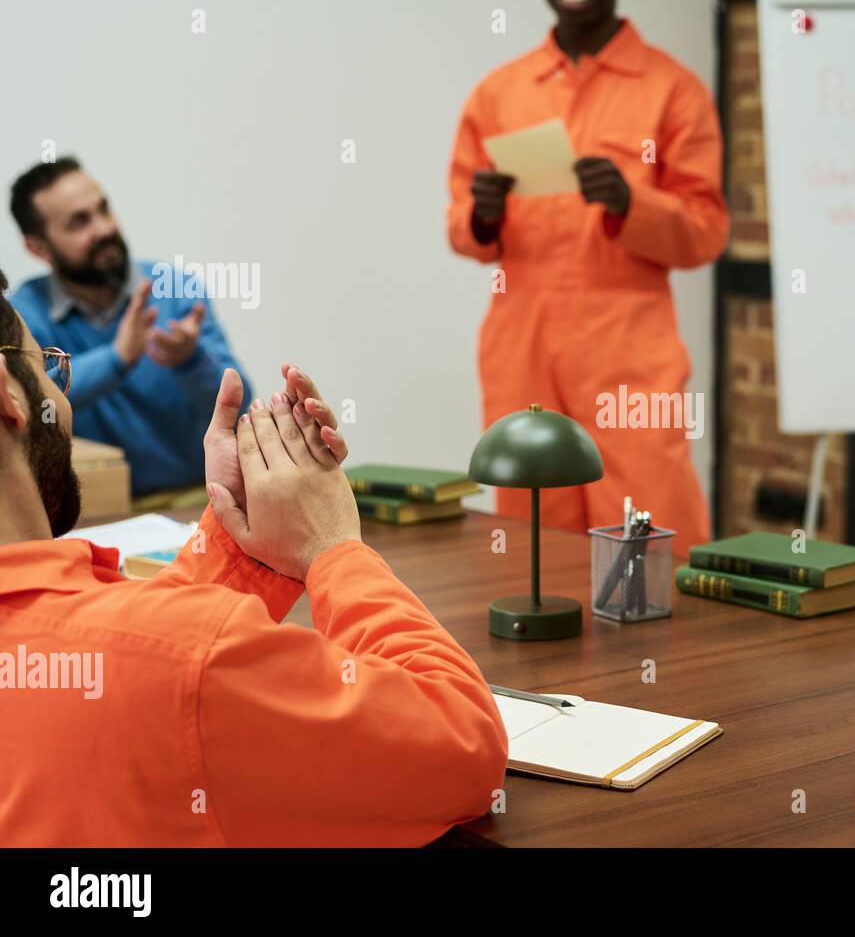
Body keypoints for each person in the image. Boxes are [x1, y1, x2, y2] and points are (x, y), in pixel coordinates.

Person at [0, 269, 507, 845]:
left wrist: (242, 537)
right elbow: (461, 746)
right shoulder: (180, 664)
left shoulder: (119, 652)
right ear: (7, 395)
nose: (62, 400)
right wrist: (334, 549)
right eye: (50, 370)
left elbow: (139, 652)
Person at [447, 0, 728, 553]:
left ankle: (662, 646)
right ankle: (540, 641)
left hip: (628, 347)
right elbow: (462, 227)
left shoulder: (672, 90)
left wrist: (633, 202)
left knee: (648, 525)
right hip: (521, 346)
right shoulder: (499, 94)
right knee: (532, 527)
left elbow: (706, 231)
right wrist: (482, 216)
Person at [8, 157, 252, 500]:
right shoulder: (26, 314)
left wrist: (190, 360)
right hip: (98, 507)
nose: (104, 228)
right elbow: (33, 408)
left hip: (201, 496)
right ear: (38, 248)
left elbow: (239, 405)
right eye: (79, 222)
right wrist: (118, 358)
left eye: (103, 209)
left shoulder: (174, 287)